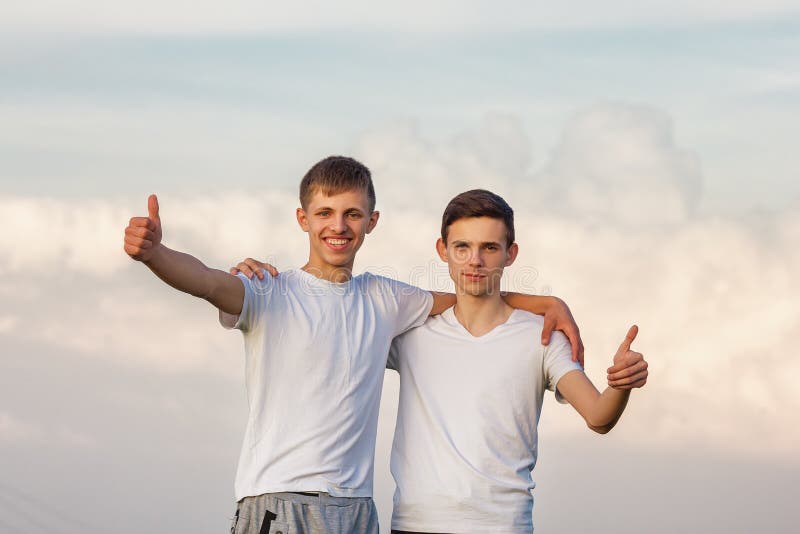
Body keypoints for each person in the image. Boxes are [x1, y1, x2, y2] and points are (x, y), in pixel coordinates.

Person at [123, 156, 583, 534]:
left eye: (352, 214)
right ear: (303, 219)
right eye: (324, 213)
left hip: (359, 509)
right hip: (282, 500)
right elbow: (204, 280)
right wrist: (155, 255)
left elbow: (471, 293)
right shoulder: (269, 290)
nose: (338, 226)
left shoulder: (386, 299)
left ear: (371, 222)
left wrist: (546, 302)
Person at [385, 189, 649, 534]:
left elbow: (599, 417)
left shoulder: (541, 336)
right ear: (442, 250)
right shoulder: (410, 332)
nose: (474, 261)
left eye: (489, 248)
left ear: (511, 254)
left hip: (502, 524)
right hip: (416, 523)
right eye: (462, 247)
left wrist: (620, 384)